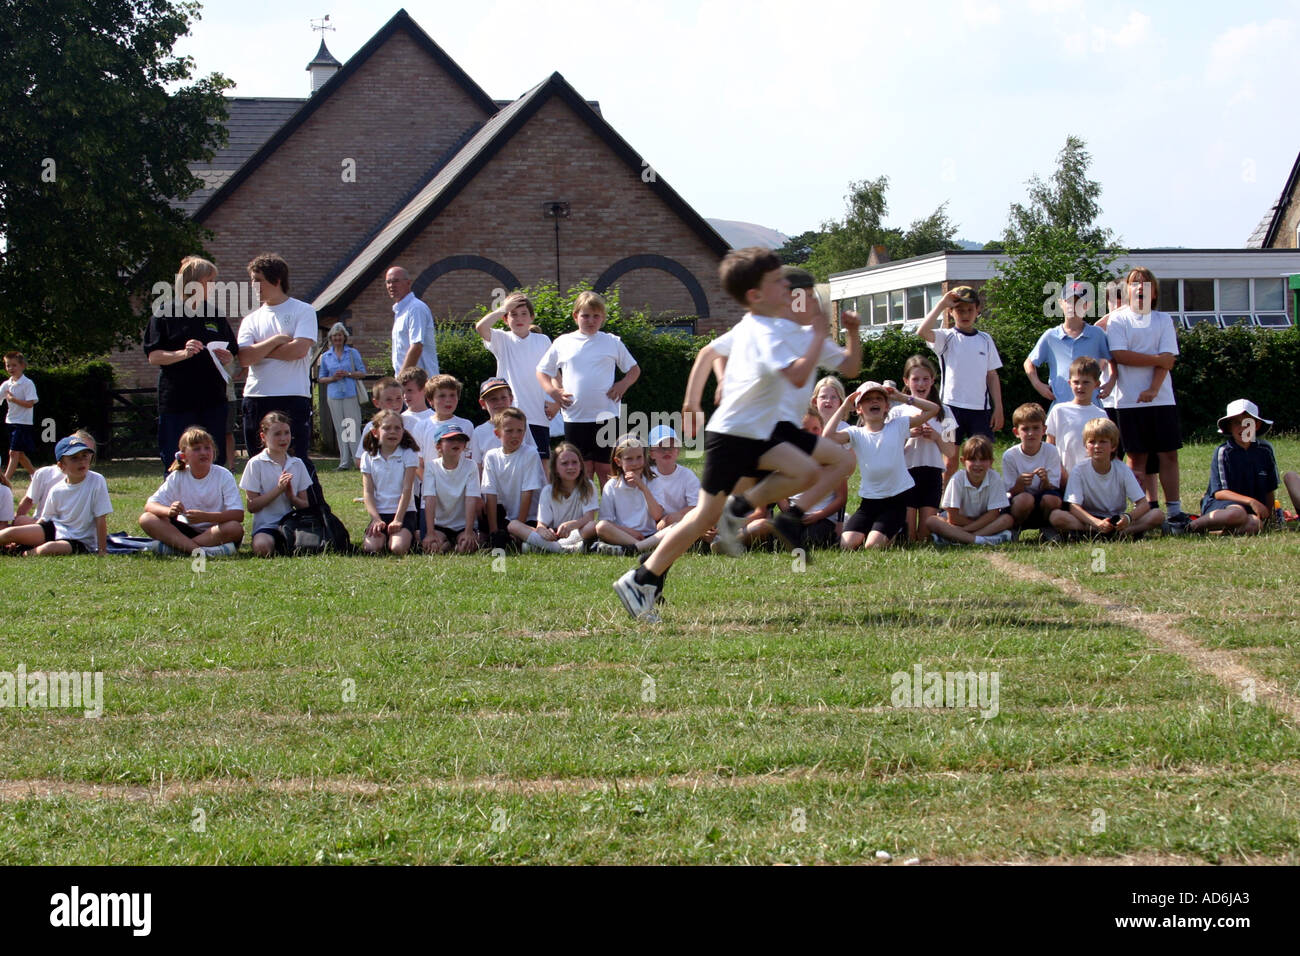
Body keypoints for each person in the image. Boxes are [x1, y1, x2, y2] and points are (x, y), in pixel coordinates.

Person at [613, 247, 823, 621]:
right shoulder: (762, 327)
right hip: (737, 434)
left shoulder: (761, 325)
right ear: (756, 295)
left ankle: (647, 575)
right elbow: (793, 374)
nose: (786, 285)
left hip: (751, 432)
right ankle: (647, 574)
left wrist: (701, 396)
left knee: (704, 517)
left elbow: (711, 352)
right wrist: (821, 333)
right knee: (797, 475)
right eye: (777, 282)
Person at [695, 266, 860, 551]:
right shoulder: (764, 328)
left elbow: (851, 366)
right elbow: (714, 352)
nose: (815, 304)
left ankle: (785, 517)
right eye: (809, 296)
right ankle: (659, 558)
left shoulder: (810, 336)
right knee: (711, 508)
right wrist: (722, 382)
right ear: (791, 298)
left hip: (782, 430)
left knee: (842, 462)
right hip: (759, 428)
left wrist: (854, 333)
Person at [1105, 267, 1185, 522]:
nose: (1140, 287)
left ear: (1154, 292)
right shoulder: (1118, 320)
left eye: (1146, 283)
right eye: (1135, 283)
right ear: (1127, 290)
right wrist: (1155, 359)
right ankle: (1141, 512)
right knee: (1136, 457)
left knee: (1168, 455)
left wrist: (1153, 389)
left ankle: (1174, 512)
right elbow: (1120, 355)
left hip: (1162, 400)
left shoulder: (1163, 320)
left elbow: (1169, 360)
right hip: (1128, 402)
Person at [143, 256, 237, 469]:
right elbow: (154, 356)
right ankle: (176, 501)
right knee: (177, 459)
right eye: (210, 280)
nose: (214, 286)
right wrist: (182, 353)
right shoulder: (165, 314)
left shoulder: (214, 314)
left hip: (213, 399)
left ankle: (214, 501)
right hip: (178, 401)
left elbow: (232, 349)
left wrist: (228, 357)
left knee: (214, 459)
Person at [536, 291, 640, 484]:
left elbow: (634, 369)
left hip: (606, 415)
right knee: (582, 469)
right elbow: (542, 371)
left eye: (596, 316)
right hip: (575, 416)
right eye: (585, 315)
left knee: (606, 468)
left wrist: (623, 384)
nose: (590, 320)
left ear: (603, 318)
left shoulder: (612, 341)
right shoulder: (563, 342)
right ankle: (584, 514)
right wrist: (553, 392)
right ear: (576, 316)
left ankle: (609, 513)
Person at [823, 381, 940, 550]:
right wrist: (844, 406)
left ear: (887, 406)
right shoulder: (856, 433)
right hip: (869, 503)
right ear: (858, 409)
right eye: (868, 399)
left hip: (896, 500)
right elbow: (828, 435)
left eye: (879, 398)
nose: (874, 402)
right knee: (846, 544)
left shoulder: (898, 425)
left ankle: (895, 530)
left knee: (872, 546)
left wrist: (901, 397)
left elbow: (933, 409)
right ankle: (879, 530)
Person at [237, 254, 319, 492]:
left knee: (298, 462)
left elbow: (299, 350)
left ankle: (307, 516)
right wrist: (275, 341)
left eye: (258, 280)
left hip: (292, 396)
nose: (253, 287)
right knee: (259, 462)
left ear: (277, 278)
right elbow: (244, 357)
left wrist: (260, 350)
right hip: (256, 397)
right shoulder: (251, 319)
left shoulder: (303, 311)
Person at [1174, 400, 1279, 536]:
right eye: (1236, 423)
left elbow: (1269, 488)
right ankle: (1189, 526)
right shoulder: (1224, 452)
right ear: (1229, 427)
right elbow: (1220, 493)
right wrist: (1251, 501)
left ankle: (1212, 533)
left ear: (1257, 425)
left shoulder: (1265, 450)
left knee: (1255, 525)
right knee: (1237, 513)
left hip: (1250, 509)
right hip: (1222, 505)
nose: (1242, 428)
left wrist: (1270, 518)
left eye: (1247, 422)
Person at [1049, 418, 1164, 540]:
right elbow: (1073, 506)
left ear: (1113, 446)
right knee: (1056, 516)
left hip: (1116, 519)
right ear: (1085, 446)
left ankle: (1120, 532)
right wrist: (1096, 523)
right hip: (1090, 518)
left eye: (1103, 441)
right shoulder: (1079, 470)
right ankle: (1098, 531)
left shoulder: (1122, 469)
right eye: (1092, 442)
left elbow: (1143, 504)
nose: (1097, 446)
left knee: (1158, 515)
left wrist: (1128, 517)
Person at [917, 287, 1004, 446]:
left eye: (970, 310)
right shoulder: (946, 337)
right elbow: (922, 331)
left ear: (977, 310)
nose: (965, 315)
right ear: (950, 311)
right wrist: (942, 304)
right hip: (950, 408)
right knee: (949, 459)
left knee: (983, 456)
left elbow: (992, 375)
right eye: (959, 310)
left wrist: (998, 407)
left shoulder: (985, 339)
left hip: (980, 409)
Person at [139, 427, 244, 557]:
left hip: (215, 532)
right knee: (147, 519)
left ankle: (179, 549)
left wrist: (206, 517)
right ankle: (201, 551)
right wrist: (169, 511)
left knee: (234, 528)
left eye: (207, 448)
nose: (203, 452)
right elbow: (150, 505)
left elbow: (238, 515)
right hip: (183, 531)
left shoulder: (223, 475)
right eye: (196, 449)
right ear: (184, 456)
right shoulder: (178, 476)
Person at [0, 435, 110, 556]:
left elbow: (101, 519)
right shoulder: (56, 490)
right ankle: (14, 546)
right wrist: (29, 533)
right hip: (55, 529)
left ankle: (20, 553)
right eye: (74, 458)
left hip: (80, 540)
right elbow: (44, 520)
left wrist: (102, 550)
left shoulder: (97, 480)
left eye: (85, 456)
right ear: (61, 466)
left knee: (47, 548)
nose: (82, 461)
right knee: (9, 533)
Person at [476, 292, 556, 456]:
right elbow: (481, 327)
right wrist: (503, 308)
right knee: (510, 461)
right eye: (513, 314)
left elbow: (554, 374)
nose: (519, 318)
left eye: (523, 314)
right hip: (510, 417)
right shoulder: (501, 339)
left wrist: (557, 403)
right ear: (505, 319)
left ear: (531, 317)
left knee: (541, 464)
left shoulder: (543, 341)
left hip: (538, 415)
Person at [891, 356, 957, 542]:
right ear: (906, 381)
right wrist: (907, 434)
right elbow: (888, 448)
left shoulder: (945, 412)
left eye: (925, 379)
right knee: (910, 536)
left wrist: (936, 437)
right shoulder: (897, 412)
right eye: (915, 379)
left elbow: (951, 451)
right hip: (906, 473)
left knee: (925, 535)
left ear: (933, 380)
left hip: (932, 474)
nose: (921, 384)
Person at [1023, 281, 1113, 409]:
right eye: (1069, 301)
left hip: (1092, 407)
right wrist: (1038, 385)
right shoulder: (1051, 336)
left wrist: (1111, 382)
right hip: (1061, 407)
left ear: (1088, 305)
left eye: (1079, 302)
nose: (1073, 306)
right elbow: (1029, 363)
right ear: (1061, 303)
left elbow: (1113, 360)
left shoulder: (1097, 334)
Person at [239, 411, 311, 557]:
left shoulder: (297, 464)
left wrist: (292, 497)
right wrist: (278, 490)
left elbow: (304, 505)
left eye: (286, 433)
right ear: (263, 437)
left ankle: (286, 545)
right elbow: (252, 506)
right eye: (277, 434)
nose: (283, 438)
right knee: (262, 547)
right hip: (266, 526)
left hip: (293, 525)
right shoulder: (256, 463)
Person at [926, 436, 1014, 546]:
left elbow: (993, 514)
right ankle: (981, 540)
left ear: (991, 462)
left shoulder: (994, 478)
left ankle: (959, 538)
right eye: (972, 459)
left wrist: (968, 530)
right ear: (963, 461)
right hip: (960, 523)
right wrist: (971, 527)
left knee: (1007, 519)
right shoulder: (957, 479)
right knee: (932, 521)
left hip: (982, 523)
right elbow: (953, 518)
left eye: (983, 459)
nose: (977, 464)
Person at [480, 407, 546, 551]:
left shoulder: (530, 454)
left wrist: (518, 530)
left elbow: (527, 493)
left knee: (517, 537)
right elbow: (490, 495)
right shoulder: (491, 456)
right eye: (509, 431)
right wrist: (493, 531)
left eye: (519, 431)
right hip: (508, 516)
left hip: (531, 517)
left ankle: (518, 540)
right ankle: (499, 540)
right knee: (491, 530)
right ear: (497, 433)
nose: (515, 435)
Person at [359, 410, 419, 556]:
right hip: (381, 514)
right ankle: (385, 537)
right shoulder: (368, 457)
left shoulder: (408, 454)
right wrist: (376, 519)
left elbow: (407, 489)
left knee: (398, 548)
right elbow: (368, 492)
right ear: (375, 432)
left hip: (404, 513)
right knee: (371, 548)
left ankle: (411, 536)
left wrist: (398, 520)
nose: (393, 432)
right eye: (386, 428)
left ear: (403, 431)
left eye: (397, 428)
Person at [1003, 403, 1064, 537]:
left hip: (1043, 500)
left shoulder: (1051, 451)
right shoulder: (1010, 455)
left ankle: (1047, 528)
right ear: (1016, 432)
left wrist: (1045, 480)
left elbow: (1053, 487)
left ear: (1044, 430)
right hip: (1021, 502)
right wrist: (1019, 483)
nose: (1031, 433)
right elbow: (1009, 492)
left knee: (1052, 499)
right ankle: (1015, 528)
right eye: (1025, 429)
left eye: (1036, 428)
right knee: (1025, 499)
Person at [594, 436, 663, 556]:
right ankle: (641, 547)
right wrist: (629, 532)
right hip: (624, 536)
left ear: (644, 458)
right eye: (629, 459)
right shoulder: (611, 486)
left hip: (652, 535)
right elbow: (606, 521)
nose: (635, 463)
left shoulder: (654, 481)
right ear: (618, 462)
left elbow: (657, 515)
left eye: (639, 457)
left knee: (675, 527)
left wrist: (642, 487)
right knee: (601, 527)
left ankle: (634, 549)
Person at [1044, 356, 1109, 481]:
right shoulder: (1059, 410)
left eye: (1086, 382)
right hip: (1062, 475)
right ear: (1069, 383)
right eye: (1076, 382)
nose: (1080, 387)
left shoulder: (1101, 415)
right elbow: (1050, 445)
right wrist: (1060, 472)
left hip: (1090, 477)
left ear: (1096, 384)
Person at [15, 429, 97, 526]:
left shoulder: (94, 480)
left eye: (86, 454)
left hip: (70, 527)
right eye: (76, 453)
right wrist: (16, 521)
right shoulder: (44, 473)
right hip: (41, 523)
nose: (82, 458)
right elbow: (28, 501)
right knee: (20, 521)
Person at [421, 423, 481, 555]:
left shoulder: (471, 466)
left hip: (463, 525)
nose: (456, 443)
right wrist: (430, 533)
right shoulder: (431, 466)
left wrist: (469, 531)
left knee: (466, 547)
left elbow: (471, 499)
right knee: (431, 548)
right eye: (450, 440)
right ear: (438, 446)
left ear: (465, 445)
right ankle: (447, 543)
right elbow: (430, 499)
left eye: (460, 440)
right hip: (440, 525)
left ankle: (454, 543)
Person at [317, 321, 366, 470]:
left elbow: (362, 372)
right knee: (341, 428)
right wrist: (333, 378)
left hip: (350, 394)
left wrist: (349, 374)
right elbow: (321, 377)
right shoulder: (326, 356)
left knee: (352, 426)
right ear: (331, 338)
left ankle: (357, 460)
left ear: (344, 337)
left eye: (340, 335)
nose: (337, 338)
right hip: (334, 395)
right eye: (334, 336)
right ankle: (344, 462)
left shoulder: (352, 353)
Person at [536, 442, 598, 552]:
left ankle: (556, 547)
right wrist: (543, 531)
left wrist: (572, 525)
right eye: (564, 463)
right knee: (514, 526)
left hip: (576, 532)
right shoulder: (548, 491)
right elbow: (541, 523)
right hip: (554, 534)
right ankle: (566, 547)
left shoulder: (588, 486)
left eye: (574, 462)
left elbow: (589, 518)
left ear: (581, 465)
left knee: (593, 526)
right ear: (555, 468)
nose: (571, 467)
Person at [469, 377, 537, 469]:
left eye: (503, 397)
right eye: (493, 399)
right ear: (483, 404)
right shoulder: (478, 432)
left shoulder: (522, 425)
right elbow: (477, 465)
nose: (500, 402)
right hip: (492, 481)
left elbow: (533, 456)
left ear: (511, 399)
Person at [387, 266, 438, 376]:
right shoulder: (400, 312)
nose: (391, 286)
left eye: (396, 281)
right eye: (388, 282)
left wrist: (401, 380)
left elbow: (416, 347)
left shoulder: (416, 308)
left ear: (408, 283)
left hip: (421, 383)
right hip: (409, 382)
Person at [1, 351, 38, 482]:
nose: (10, 368)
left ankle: (4, 482)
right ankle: (36, 476)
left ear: (22, 366)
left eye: (14, 365)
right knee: (20, 454)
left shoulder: (28, 383)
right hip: (10, 422)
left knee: (13, 453)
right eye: (8, 365)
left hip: (23, 423)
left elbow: (30, 404)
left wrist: (13, 399)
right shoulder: (6, 384)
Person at [355, 377, 404, 467]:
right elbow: (359, 460)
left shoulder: (410, 422)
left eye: (398, 398)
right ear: (376, 402)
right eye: (388, 400)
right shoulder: (371, 427)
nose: (394, 403)